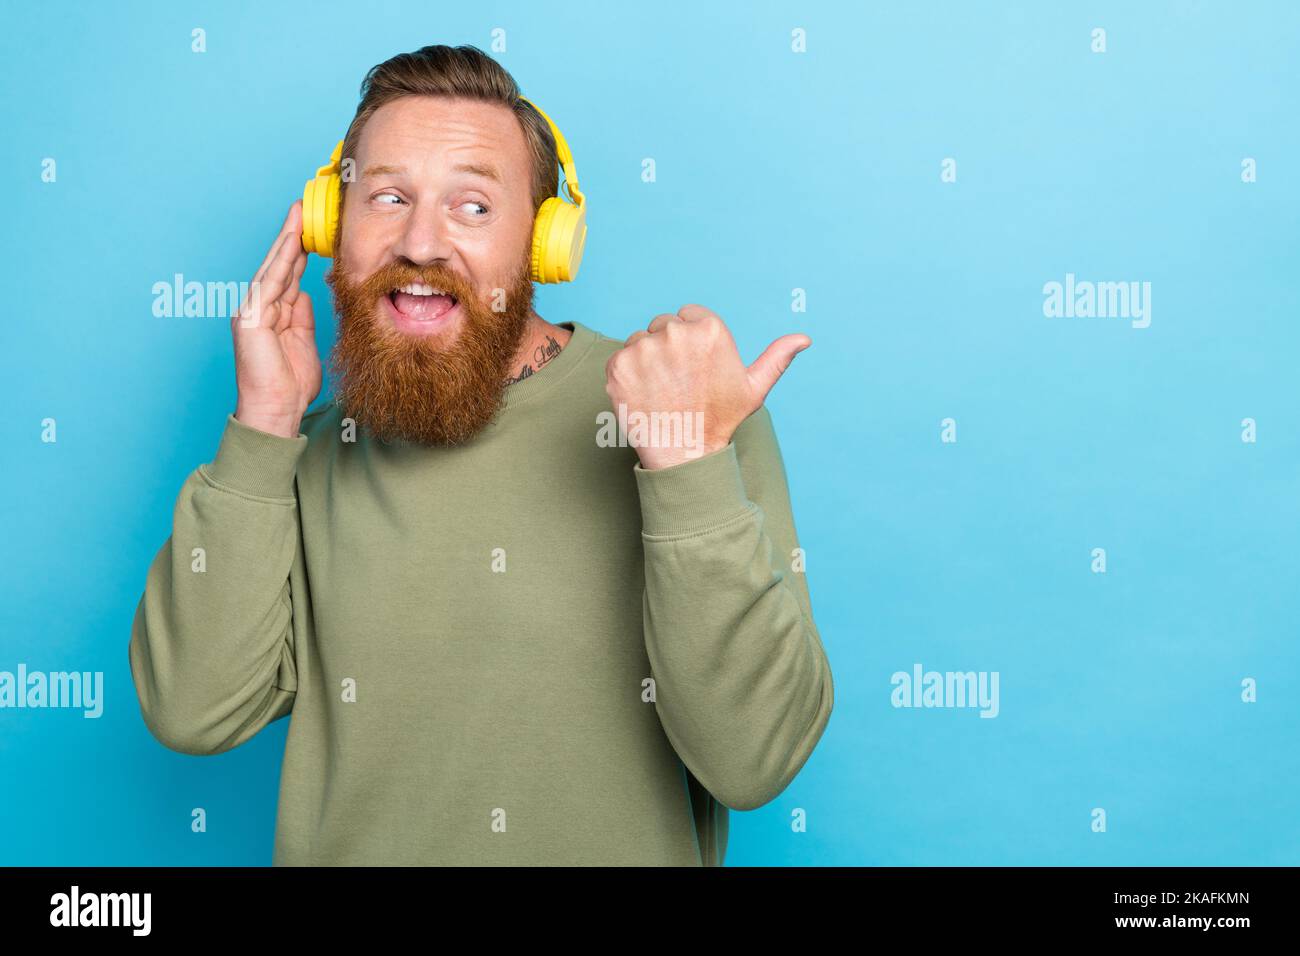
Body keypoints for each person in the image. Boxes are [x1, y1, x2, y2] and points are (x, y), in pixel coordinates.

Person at [128, 44, 834, 866]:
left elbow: (756, 761)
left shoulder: (684, 415)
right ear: (331, 228)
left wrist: (685, 466)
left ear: (544, 245)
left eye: (472, 207)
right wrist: (263, 426)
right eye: (387, 196)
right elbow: (191, 712)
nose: (421, 243)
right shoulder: (302, 455)